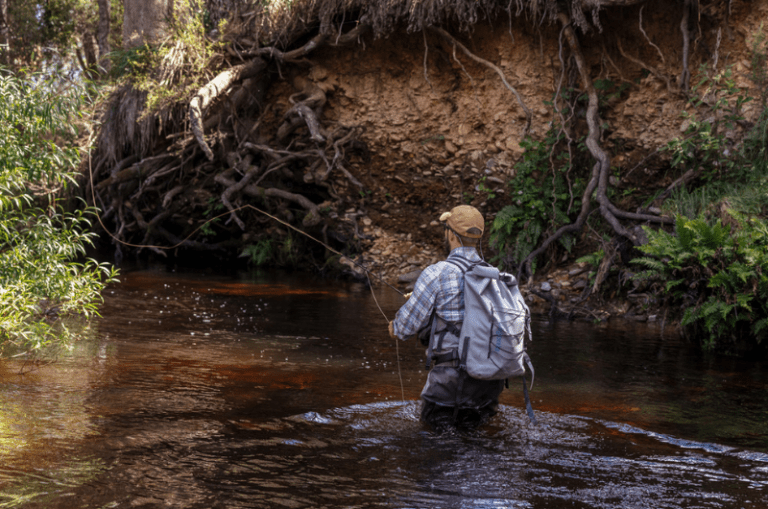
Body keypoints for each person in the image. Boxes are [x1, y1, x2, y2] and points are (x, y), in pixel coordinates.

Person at [388, 205, 503, 431]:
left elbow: (404, 328)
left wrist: (393, 327)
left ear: (450, 234)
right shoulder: (495, 276)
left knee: (437, 447)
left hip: (449, 385)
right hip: (489, 384)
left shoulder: (436, 273)